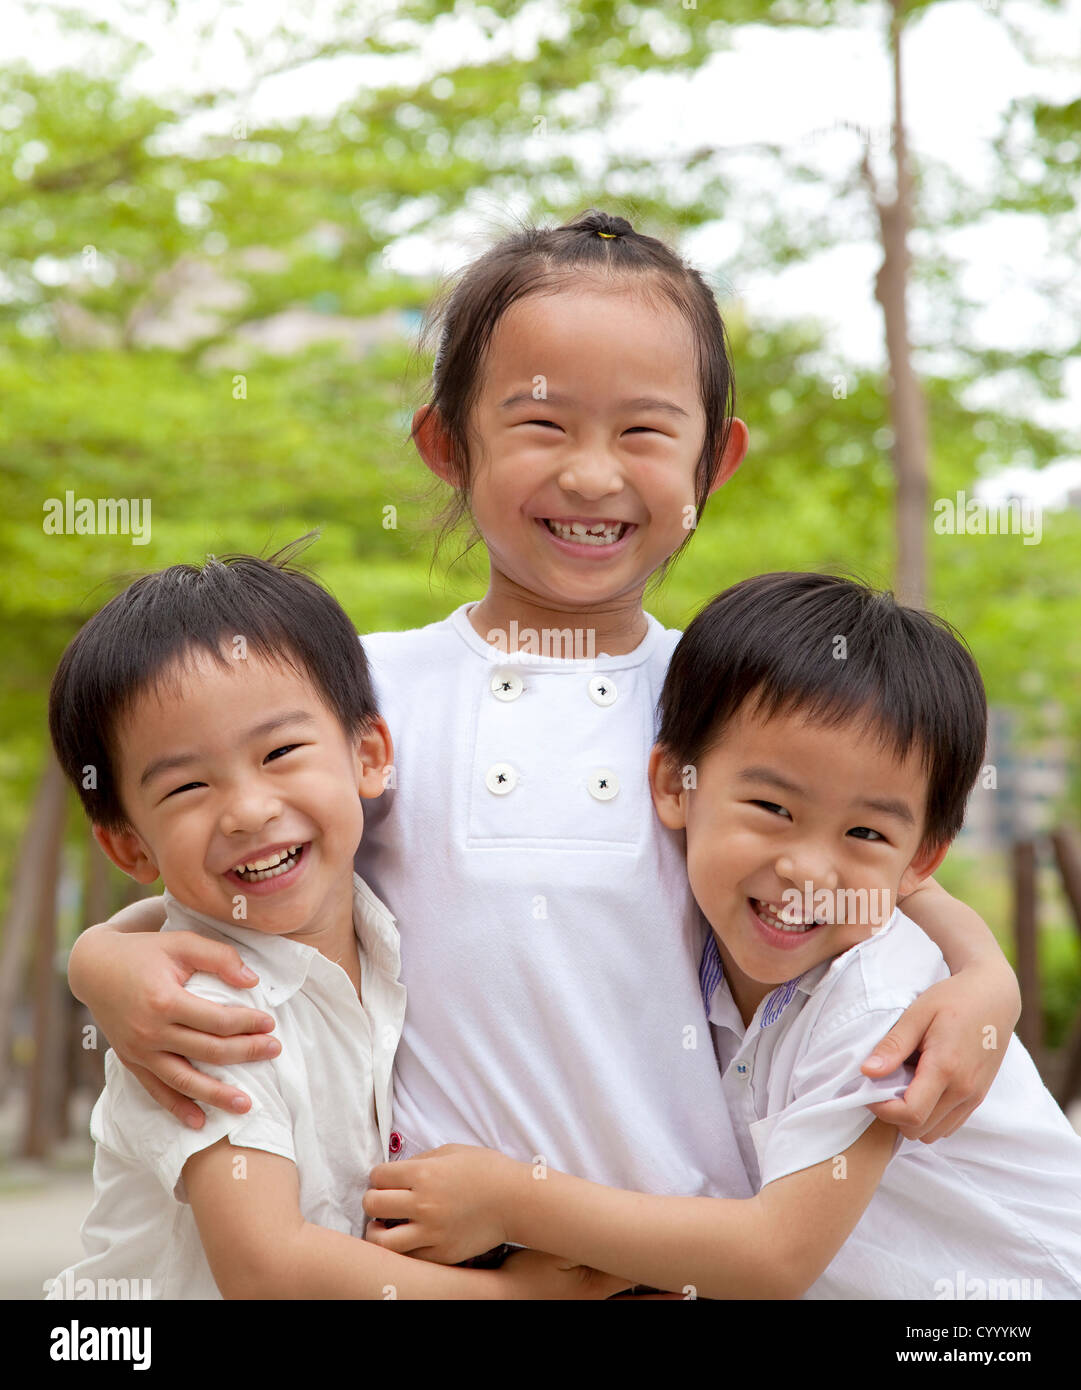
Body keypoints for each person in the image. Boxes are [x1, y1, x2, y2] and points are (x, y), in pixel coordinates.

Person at [66, 211, 1021, 1282]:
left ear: (715, 461)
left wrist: (987, 977)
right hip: (447, 1266)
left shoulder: (728, 708)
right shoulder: (362, 691)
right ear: (445, 444)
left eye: (645, 432)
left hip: (667, 1256)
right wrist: (101, 960)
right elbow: (239, 857)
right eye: (542, 425)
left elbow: (869, 865)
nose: (591, 475)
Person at [361, 573, 1081, 1300]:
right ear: (675, 785)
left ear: (919, 859)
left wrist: (512, 1202)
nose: (805, 868)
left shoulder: (877, 1003)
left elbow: (773, 1259)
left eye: (864, 832)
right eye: (771, 807)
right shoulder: (708, 961)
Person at [44, 545, 623, 1300]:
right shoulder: (204, 1010)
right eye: (188, 786)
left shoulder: (382, 923)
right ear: (127, 843)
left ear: (369, 754)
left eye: (280, 751)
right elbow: (265, 1269)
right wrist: (526, 1297)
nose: (250, 809)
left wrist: (101, 950)